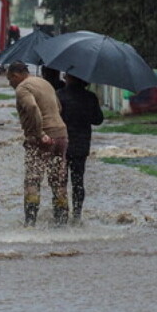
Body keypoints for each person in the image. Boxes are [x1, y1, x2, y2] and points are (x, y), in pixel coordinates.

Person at [5, 61, 69, 227]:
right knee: (58, 180)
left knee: (32, 180)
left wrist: (40, 133)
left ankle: (30, 223)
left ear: (16, 75)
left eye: (9, 79)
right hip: (61, 135)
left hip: (41, 139)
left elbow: (33, 107)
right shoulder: (44, 82)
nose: (9, 83)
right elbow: (59, 107)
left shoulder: (23, 88)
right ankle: (61, 223)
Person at [57, 74, 104, 224]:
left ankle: (61, 216)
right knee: (78, 181)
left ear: (69, 78)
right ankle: (77, 215)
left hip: (62, 144)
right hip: (81, 145)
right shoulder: (90, 97)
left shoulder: (59, 95)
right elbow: (98, 120)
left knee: (60, 181)